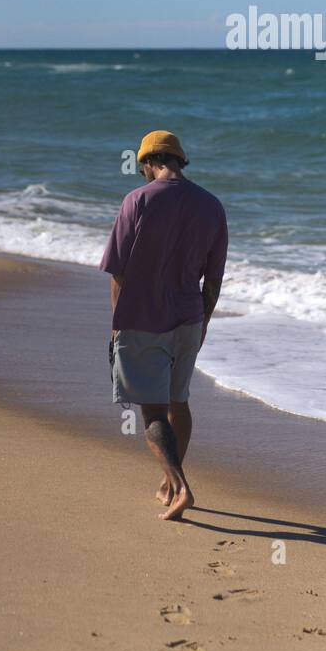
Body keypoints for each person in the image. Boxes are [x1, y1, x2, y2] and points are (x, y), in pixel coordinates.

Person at [100, 130, 228, 520]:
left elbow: (118, 271)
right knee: (180, 402)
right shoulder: (211, 206)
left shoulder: (137, 200)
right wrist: (202, 322)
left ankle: (182, 487)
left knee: (153, 414)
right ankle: (169, 485)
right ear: (179, 159)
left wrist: (116, 325)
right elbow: (215, 278)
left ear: (147, 162)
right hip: (189, 318)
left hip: (143, 320)